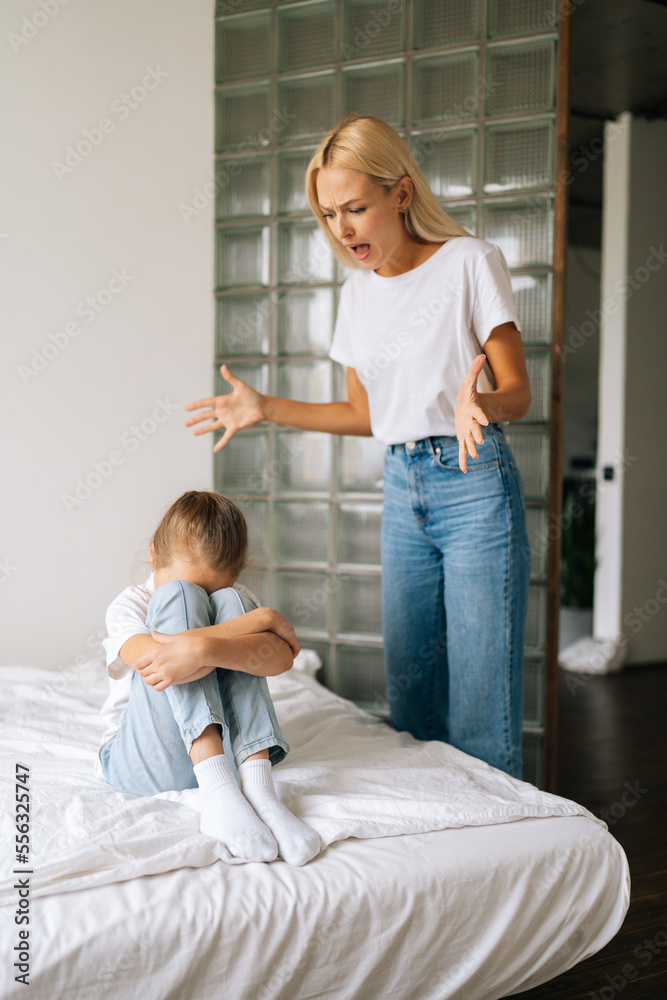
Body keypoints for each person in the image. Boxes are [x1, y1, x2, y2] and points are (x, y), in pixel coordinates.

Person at [184, 114, 532, 779]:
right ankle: (425, 843)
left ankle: (494, 841)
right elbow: (362, 414)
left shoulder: (469, 262)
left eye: (355, 208)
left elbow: (516, 390)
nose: (342, 229)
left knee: (481, 698)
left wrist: (480, 403)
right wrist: (265, 407)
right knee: (410, 695)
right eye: (328, 214)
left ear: (400, 195)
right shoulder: (356, 292)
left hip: (472, 477)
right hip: (403, 483)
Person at [97, 489, 322, 866]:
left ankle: (259, 790)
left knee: (234, 604)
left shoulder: (234, 596)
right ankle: (216, 790)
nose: (203, 600)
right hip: (143, 762)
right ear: (154, 555)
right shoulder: (129, 605)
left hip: (233, 756)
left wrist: (207, 648)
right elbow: (160, 664)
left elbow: (282, 660)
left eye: (211, 590)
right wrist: (261, 621)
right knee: (178, 599)